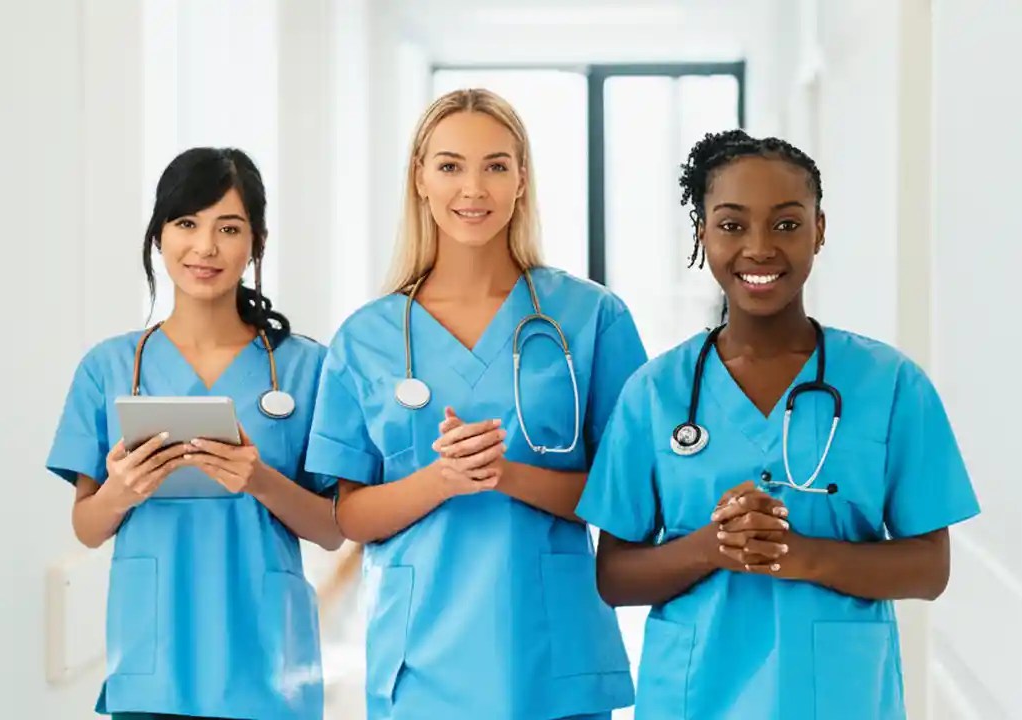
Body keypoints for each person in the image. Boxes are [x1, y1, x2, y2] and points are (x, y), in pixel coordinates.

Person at [576, 129, 981, 720]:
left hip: (837, 697)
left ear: (819, 229)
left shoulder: (890, 384)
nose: (760, 248)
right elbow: (614, 576)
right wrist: (710, 547)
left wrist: (804, 555)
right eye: (732, 224)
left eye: (787, 224)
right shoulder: (655, 394)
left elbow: (929, 568)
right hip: (694, 698)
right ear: (702, 234)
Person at [304, 89, 646, 720]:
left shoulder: (591, 317)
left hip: (550, 653)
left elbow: (628, 497)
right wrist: (441, 480)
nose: (473, 188)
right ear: (420, 178)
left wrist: (503, 474)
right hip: (422, 662)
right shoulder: (368, 337)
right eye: (450, 165)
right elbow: (350, 516)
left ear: (522, 180)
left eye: (496, 165)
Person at [45, 147, 343, 720]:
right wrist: (120, 492)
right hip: (153, 662)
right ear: (159, 235)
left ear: (256, 241)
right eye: (187, 224)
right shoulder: (109, 367)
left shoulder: (308, 368)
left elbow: (333, 530)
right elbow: (86, 527)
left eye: (228, 228)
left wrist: (260, 481)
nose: (205, 248)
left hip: (266, 662)